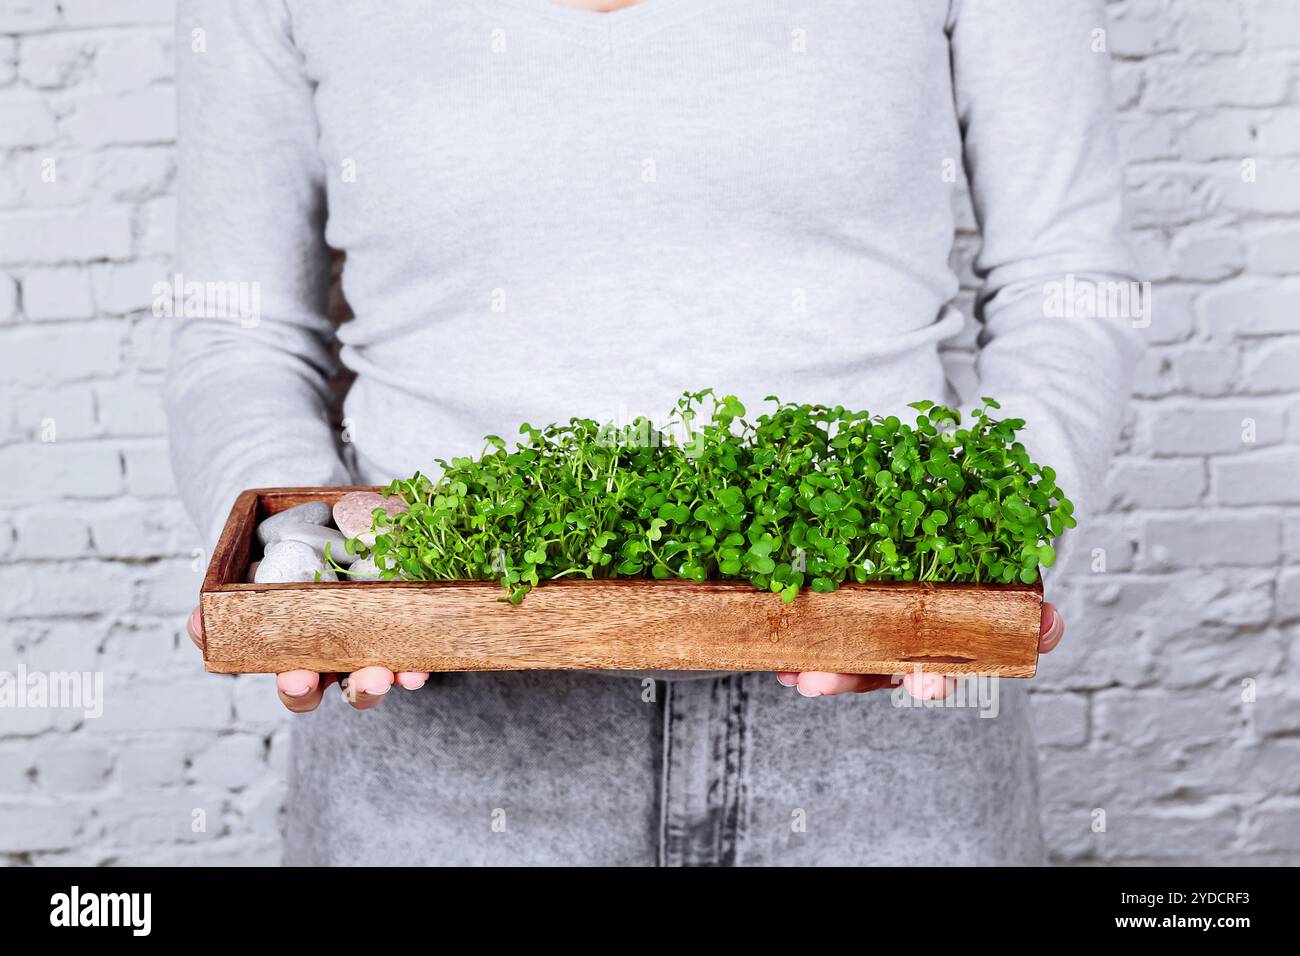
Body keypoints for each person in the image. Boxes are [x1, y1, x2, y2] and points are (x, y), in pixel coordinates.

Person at [169, 0, 1140, 865]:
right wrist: (310, 574)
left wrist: (976, 553)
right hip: (441, 750)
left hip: (885, 743)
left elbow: (1063, 282)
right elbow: (238, 326)